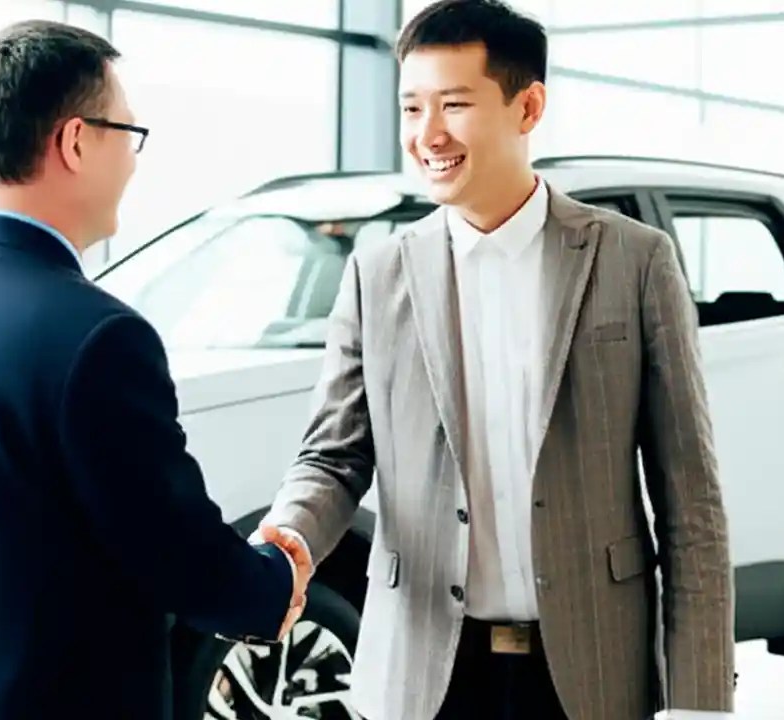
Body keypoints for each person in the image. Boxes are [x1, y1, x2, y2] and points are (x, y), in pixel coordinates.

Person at [256, 1, 735, 718]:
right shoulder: (377, 271)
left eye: (453, 104)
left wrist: (700, 699)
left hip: (592, 669)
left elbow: (689, 498)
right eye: (411, 108)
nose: (428, 135)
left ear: (528, 106)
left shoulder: (634, 261)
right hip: (425, 676)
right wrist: (291, 532)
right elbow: (334, 457)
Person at [0, 19, 309, 720]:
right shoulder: (100, 336)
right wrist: (274, 584)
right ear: (75, 141)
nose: (133, 160)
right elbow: (174, 551)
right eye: (127, 135)